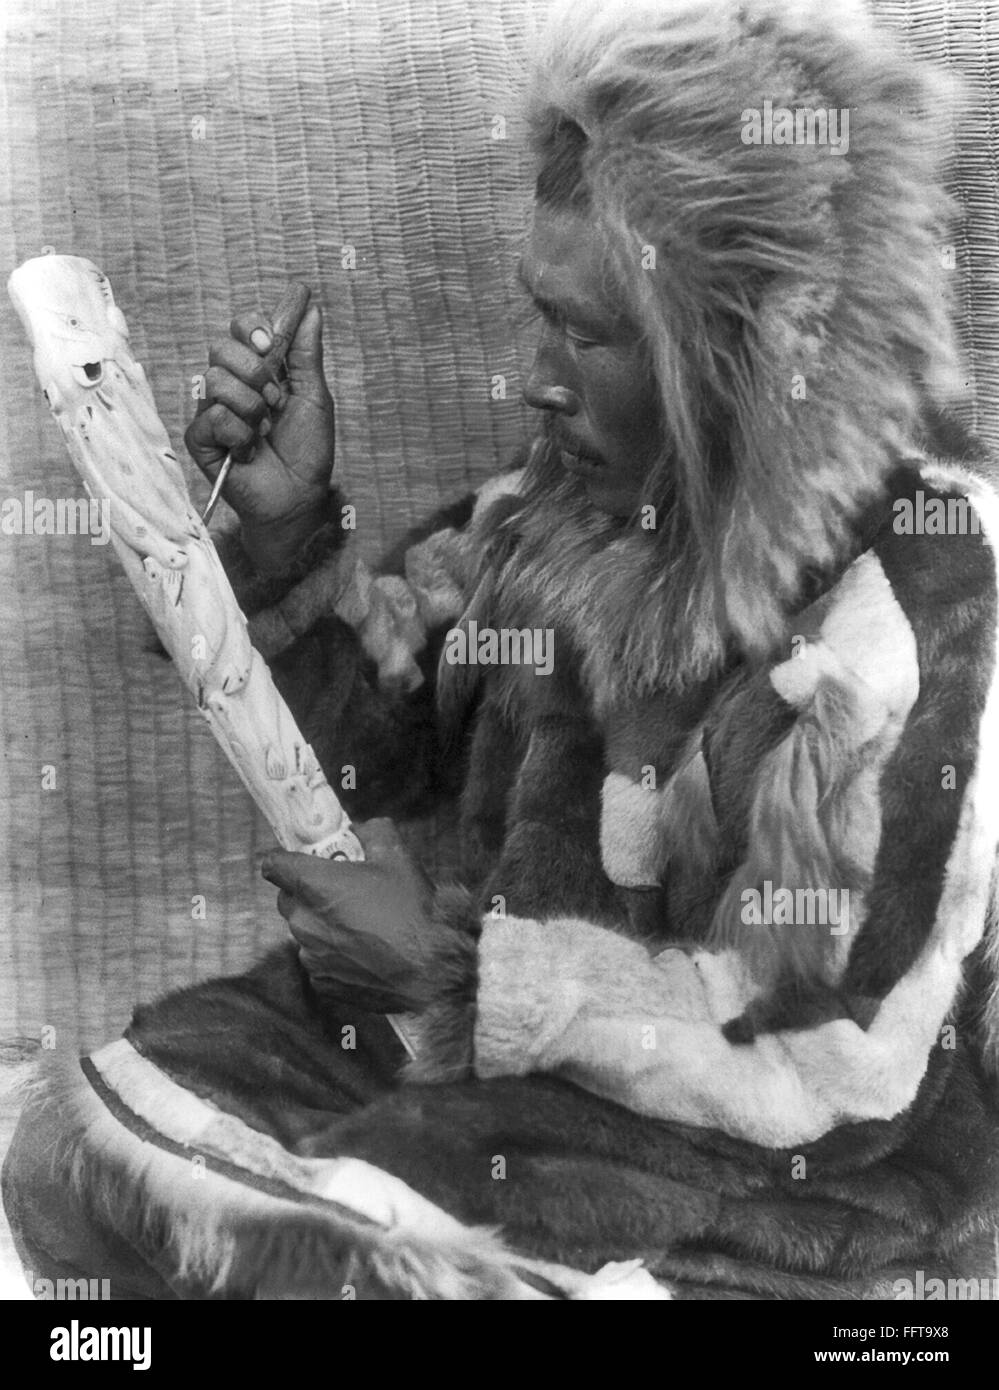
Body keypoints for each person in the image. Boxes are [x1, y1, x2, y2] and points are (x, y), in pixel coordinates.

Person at [6, 0, 999, 1300]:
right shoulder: (560, 515)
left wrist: (444, 972)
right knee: (134, 1110)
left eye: (586, 334)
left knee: (366, 1225)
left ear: (752, 353)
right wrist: (292, 537)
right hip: (486, 1055)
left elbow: (828, 1053)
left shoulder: (917, 599)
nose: (538, 377)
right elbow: (373, 733)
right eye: (544, 318)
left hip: (774, 1157)